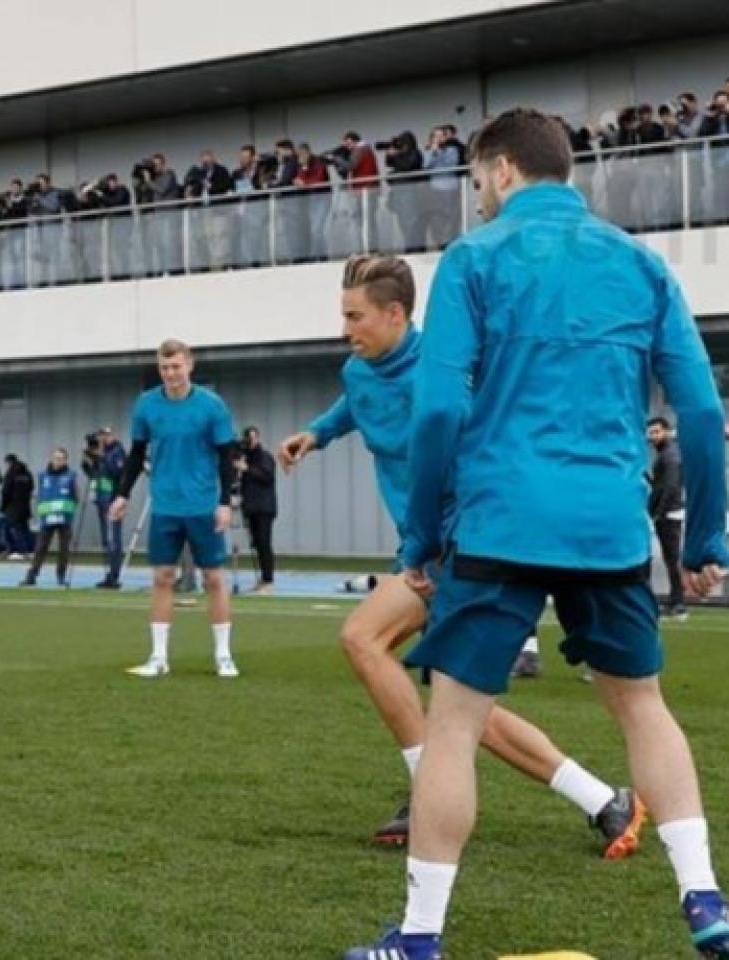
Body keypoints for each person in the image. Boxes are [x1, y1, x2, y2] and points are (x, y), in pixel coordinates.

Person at [345, 109, 729, 960]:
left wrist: (420, 538)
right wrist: (707, 542)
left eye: (477, 177)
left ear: (505, 170)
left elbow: (440, 407)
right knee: (642, 708)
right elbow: (702, 411)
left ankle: (418, 939)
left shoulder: (474, 260)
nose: (476, 193)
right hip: (608, 527)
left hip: (499, 519)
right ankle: (704, 895)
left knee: (453, 723)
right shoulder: (640, 263)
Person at [281, 255, 642, 858]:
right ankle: (605, 801)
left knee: (383, 652)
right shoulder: (359, 369)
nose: (346, 327)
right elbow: (356, 405)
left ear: (396, 315)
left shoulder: (445, 372)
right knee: (455, 700)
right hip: (425, 549)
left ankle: (442, 787)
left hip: (465, 545)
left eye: (355, 316)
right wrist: (316, 434)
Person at [109, 340, 240, 679]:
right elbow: (137, 454)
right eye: (164, 368)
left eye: (176, 367)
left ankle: (224, 655)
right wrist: (122, 495)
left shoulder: (212, 406)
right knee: (162, 577)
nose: (171, 374)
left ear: (189, 366)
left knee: (213, 578)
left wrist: (226, 502)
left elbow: (227, 456)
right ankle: (159, 657)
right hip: (165, 505)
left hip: (203, 505)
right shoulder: (146, 405)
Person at [20, 448, 78, 587]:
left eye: (61, 459)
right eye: (55, 458)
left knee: (64, 549)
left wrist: (69, 510)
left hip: (64, 519)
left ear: (65, 460)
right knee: (40, 548)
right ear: (51, 459)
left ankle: (61, 576)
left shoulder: (71, 476)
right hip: (47, 519)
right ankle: (32, 575)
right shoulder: (43, 476)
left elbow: (75, 497)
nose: (58, 461)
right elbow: (40, 496)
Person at [648, 415, 687, 620]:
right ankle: (675, 601)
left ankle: (679, 603)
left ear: (666, 431)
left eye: (656, 432)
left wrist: (659, 513)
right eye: (651, 433)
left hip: (669, 513)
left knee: (672, 560)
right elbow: (662, 484)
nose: (653, 436)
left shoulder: (670, 455)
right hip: (668, 511)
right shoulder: (666, 454)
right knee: (671, 559)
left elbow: (671, 486)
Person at [84, 427, 127, 589]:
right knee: (106, 539)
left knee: (113, 539)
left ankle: (114, 575)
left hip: (113, 500)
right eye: (101, 435)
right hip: (101, 499)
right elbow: (93, 474)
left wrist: (102, 456)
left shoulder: (118, 452)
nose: (102, 438)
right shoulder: (102, 453)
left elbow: (116, 471)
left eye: (106, 435)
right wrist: (89, 460)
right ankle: (108, 573)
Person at [236, 426, 277, 595]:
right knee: (256, 544)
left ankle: (268, 580)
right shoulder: (245, 458)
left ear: (258, 438)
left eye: (251, 438)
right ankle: (260, 580)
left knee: (264, 543)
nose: (249, 442)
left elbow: (267, 476)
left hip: (264, 508)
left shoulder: (265, 457)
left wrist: (246, 469)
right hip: (250, 507)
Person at [0, 454, 35, 557]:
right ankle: (30, 550)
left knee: (13, 529)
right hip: (25, 505)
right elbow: (31, 487)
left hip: (12, 506)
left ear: (9, 462)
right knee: (25, 529)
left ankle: (19, 551)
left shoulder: (11, 473)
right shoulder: (27, 474)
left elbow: (5, 491)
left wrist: (3, 506)